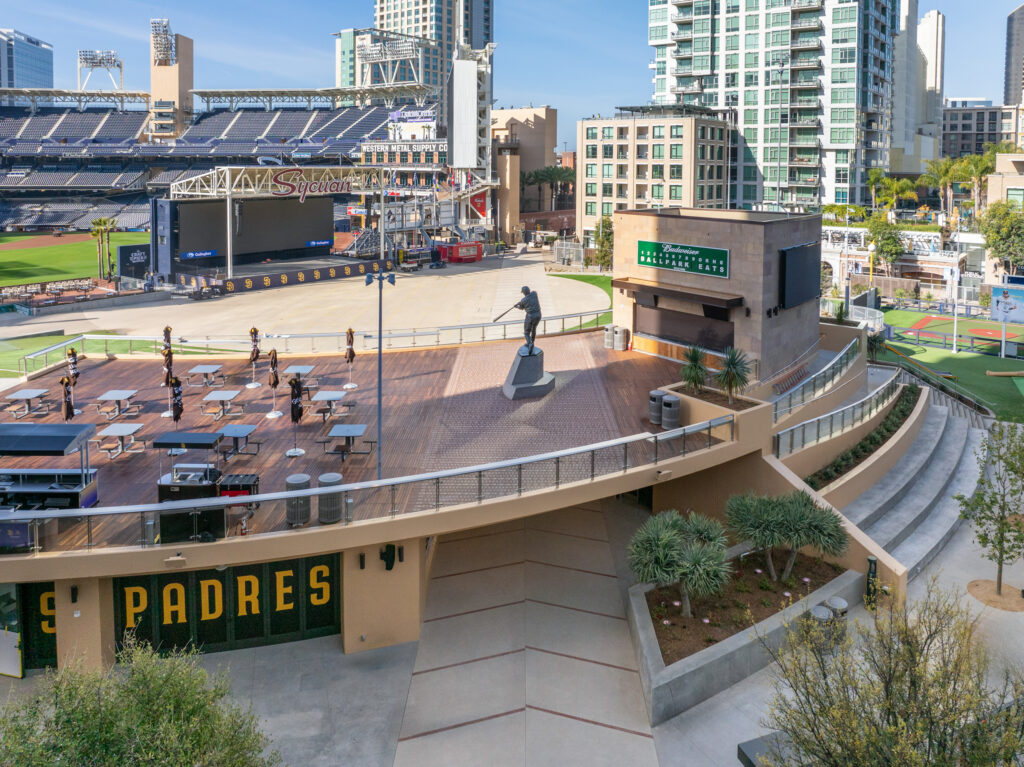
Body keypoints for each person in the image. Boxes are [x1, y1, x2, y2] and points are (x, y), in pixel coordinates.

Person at [515, 285, 542, 353]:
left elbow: (522, 308)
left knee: (526, 332)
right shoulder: (534, 293)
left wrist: (517, 306)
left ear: (524, 293)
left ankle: (530, 344)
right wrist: (520, 302)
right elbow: (529, 300)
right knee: (534, 329)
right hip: (538, 315)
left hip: (530, 316)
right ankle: (531, 342)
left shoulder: (523, 300)